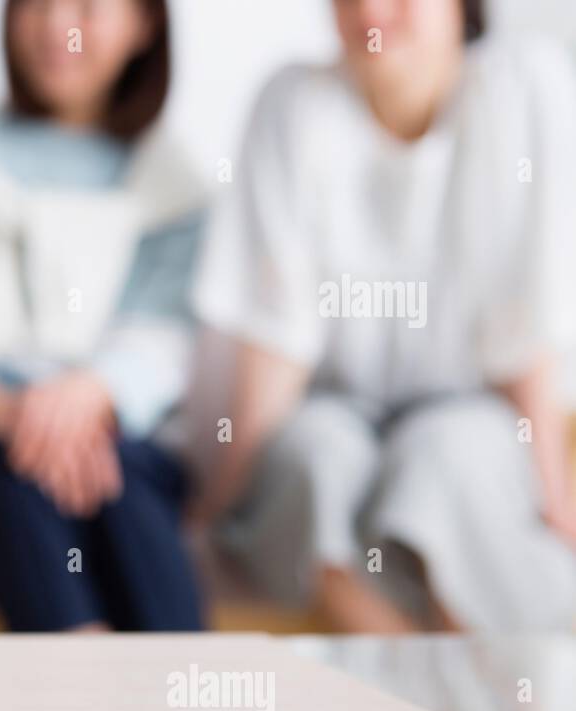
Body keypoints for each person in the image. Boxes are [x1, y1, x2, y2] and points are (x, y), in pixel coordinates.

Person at [189, 0, 576, 633]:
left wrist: (556, 497)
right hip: (332, 406)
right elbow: (277, 341)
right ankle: (394, 660)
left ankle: (475, 675)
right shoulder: (292, 104)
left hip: (469, 409)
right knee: (315, 456)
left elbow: (524, 329)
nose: (369, 10)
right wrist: (217, 504)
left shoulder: (523, 89)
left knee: (450, 461)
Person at [0, 0, 205, 632]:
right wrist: (23, 416)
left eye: (86, 7)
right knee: (16, 479)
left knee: (121, 483)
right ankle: (89, 671)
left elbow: (162, 343)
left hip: (117, 434)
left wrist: (86, 399)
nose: (57, 26)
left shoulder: (173, 183)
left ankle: (182, 673)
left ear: (143, 25)